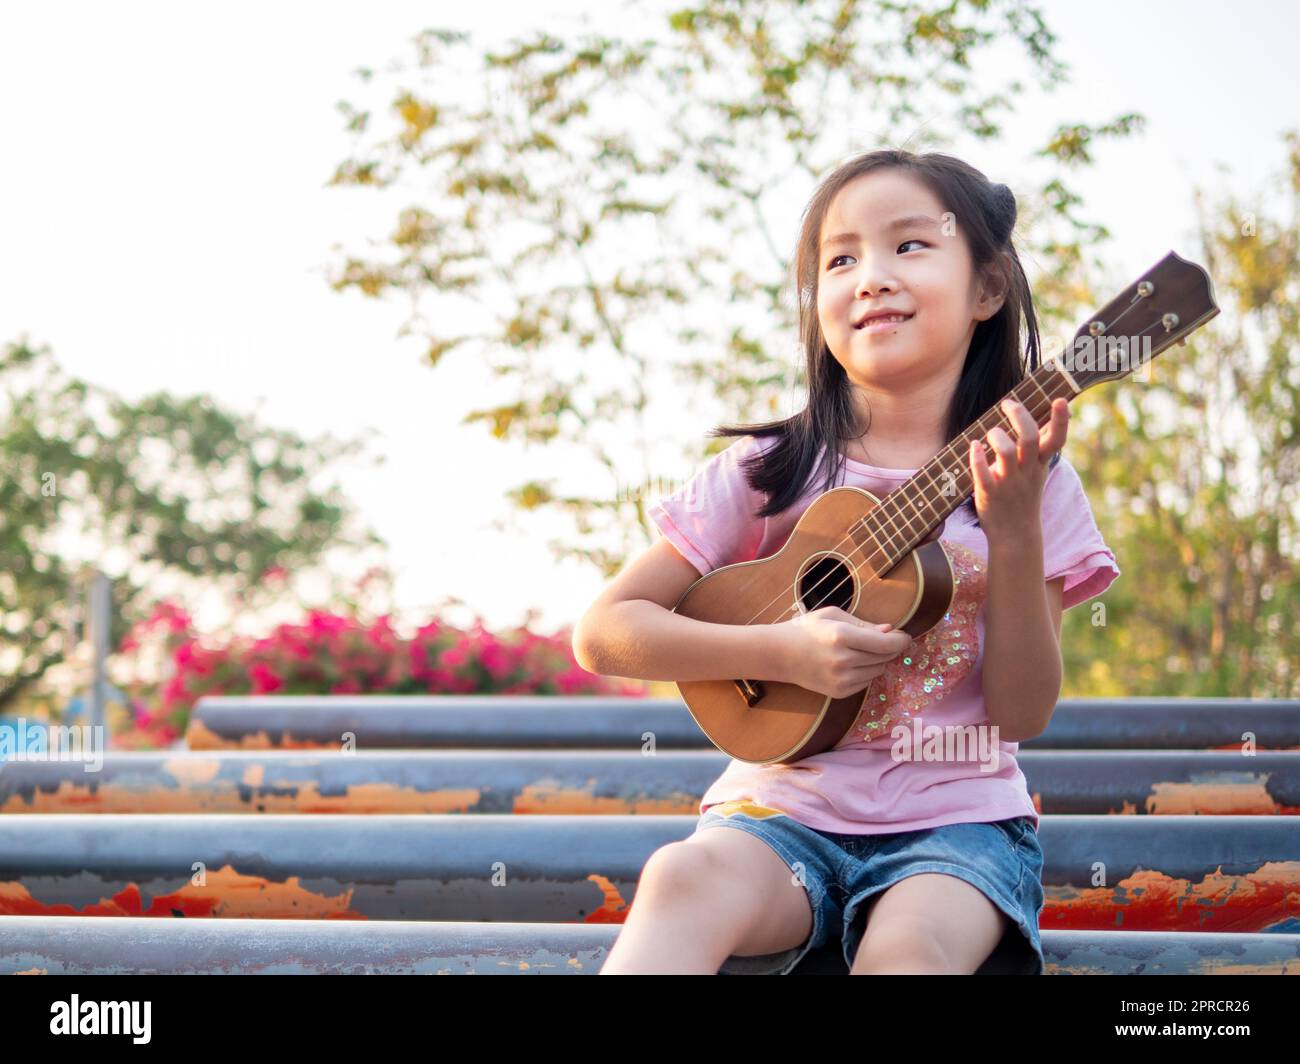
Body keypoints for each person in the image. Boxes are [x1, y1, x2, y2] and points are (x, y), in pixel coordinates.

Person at [573, 148, 1120, 975]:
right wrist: (776, 652)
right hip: (775, 812)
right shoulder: (771, 468)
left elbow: (1020, 714)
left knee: (906, 954)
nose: (870, 276)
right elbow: (606, 632)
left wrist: (1012, 534)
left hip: (957, 825)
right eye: (840, 258)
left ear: (988, 289)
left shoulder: (1030, 476)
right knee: (679, 875)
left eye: (910, 246)